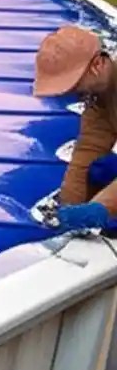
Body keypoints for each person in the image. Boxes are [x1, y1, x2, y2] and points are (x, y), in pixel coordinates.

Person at [33, 24, 117, 231]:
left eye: (77, 86)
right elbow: (89, 147)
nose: (75, 95)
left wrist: (101, 208)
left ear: (97, 65)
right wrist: (69, 207)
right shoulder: (99, 95)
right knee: (100, 169)